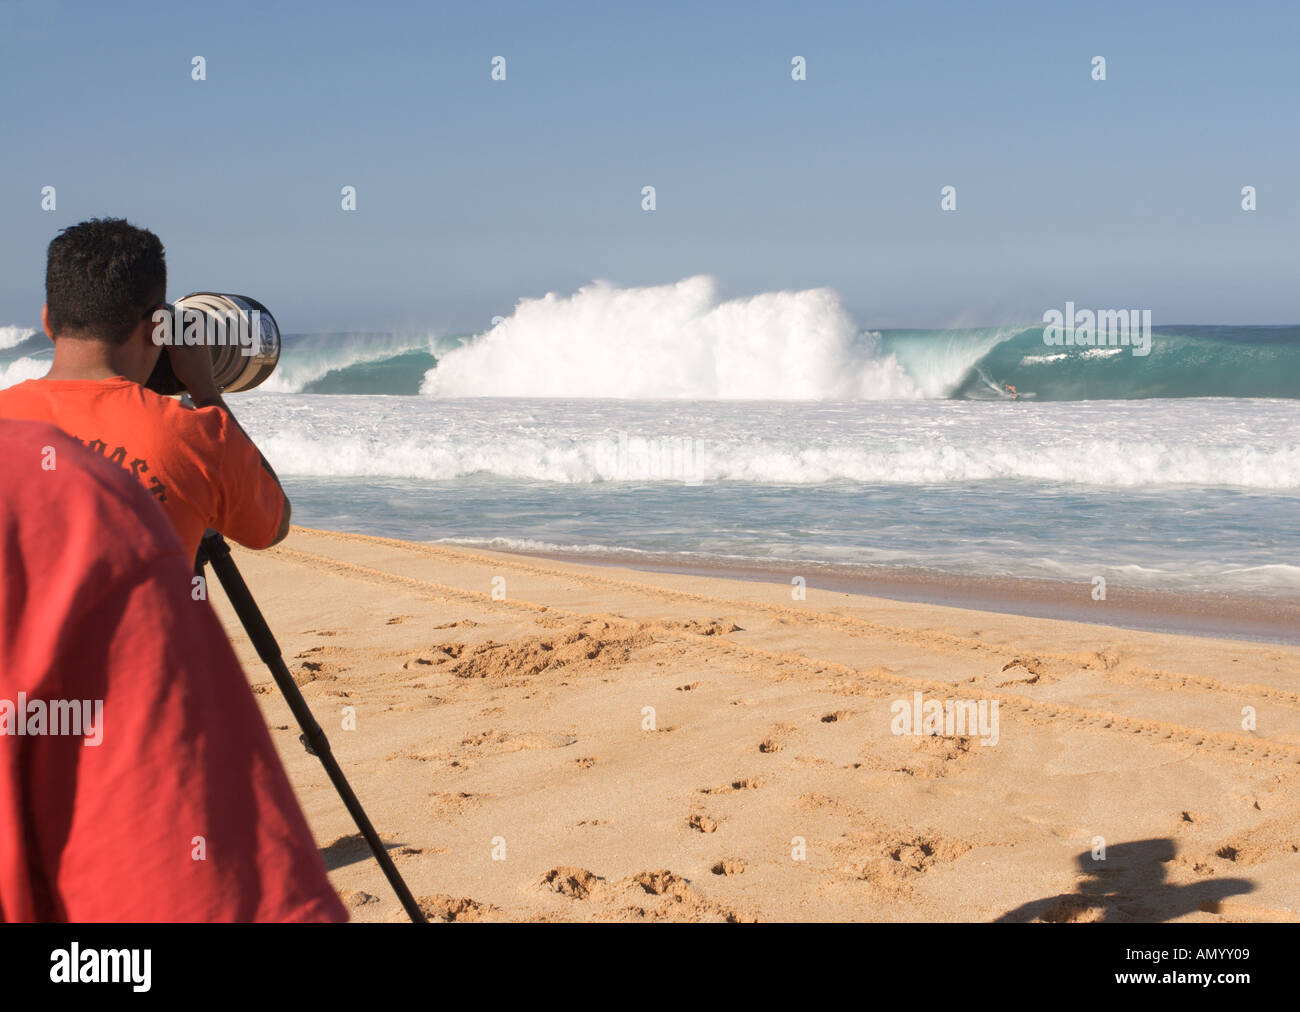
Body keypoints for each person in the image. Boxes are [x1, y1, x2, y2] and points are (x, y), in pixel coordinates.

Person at [0, 418, 346, 922]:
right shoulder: (183, 439)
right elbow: (271, 524)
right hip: (135, 674)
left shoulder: (13, 423)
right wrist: (210, 400)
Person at [0, 218, 289, 566]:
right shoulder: (195, 438)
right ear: (158, 327)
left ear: (48, 322)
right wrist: (206, 392)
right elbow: (271, 527)